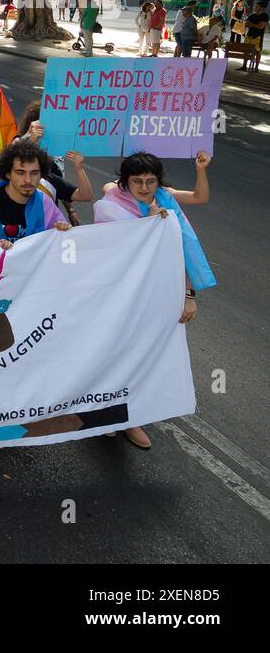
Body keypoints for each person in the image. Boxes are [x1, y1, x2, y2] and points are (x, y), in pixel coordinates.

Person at [93, 151, 212, 450]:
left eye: (151, 181)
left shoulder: (165, 201)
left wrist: (188, 296)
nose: (145, 188)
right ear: (124, 181)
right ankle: (104, 412)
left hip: (155, 294)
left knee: (142, 356)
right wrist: (147, 225)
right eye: (137, 181)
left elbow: (182, 242)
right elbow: (112, 250)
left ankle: (129, 418)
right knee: (112, 352)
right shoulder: (111, 204)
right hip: (118, 293)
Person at [0, 141, 72, 243]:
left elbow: (62, 244)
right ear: (7, 173)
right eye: (20, 172)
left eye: (34, 173)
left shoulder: (45, 204)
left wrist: (63, 231)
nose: (28, 180)